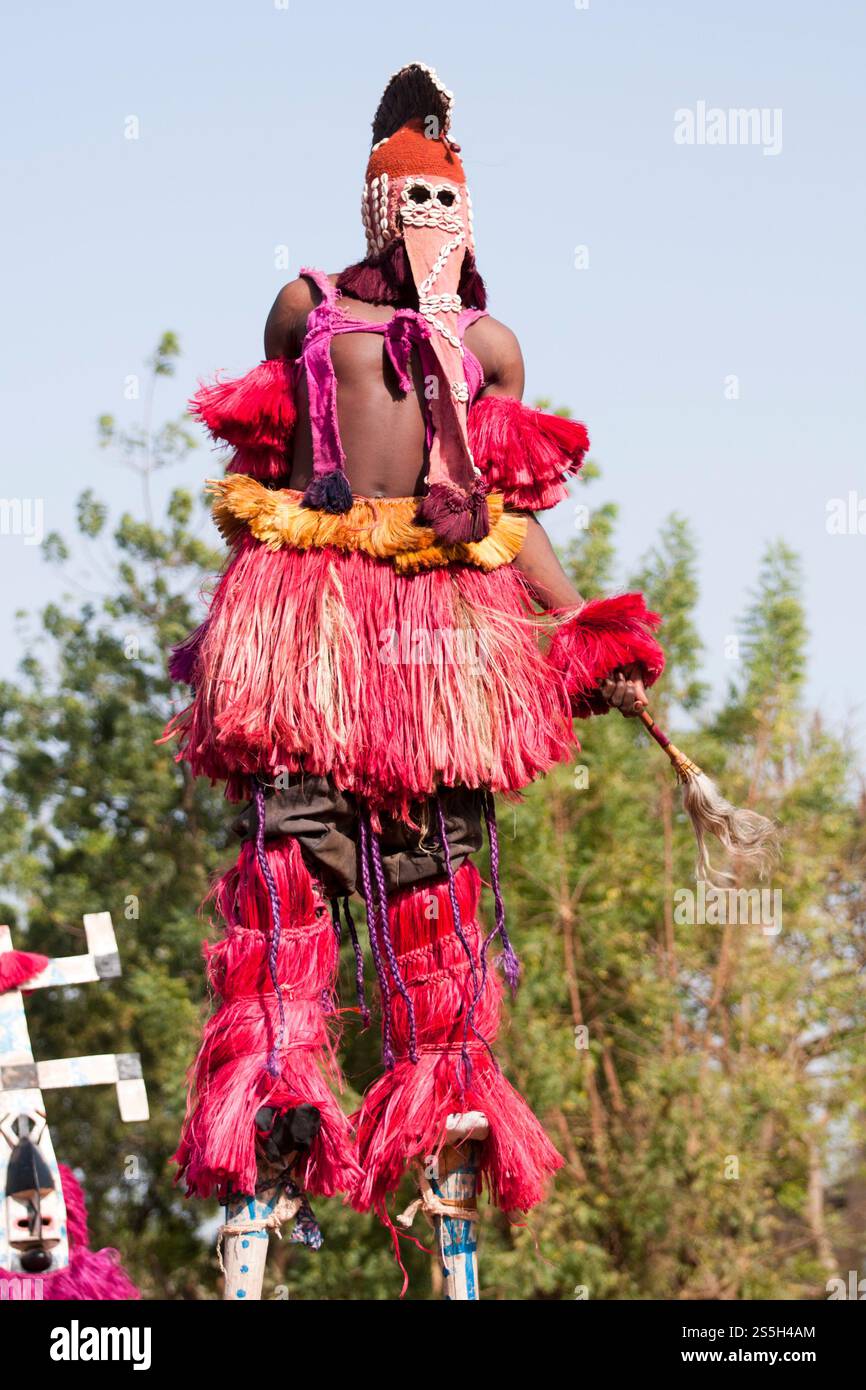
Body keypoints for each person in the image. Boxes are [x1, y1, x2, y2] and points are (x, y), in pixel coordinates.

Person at [168, 62, 664, 1235]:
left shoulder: (489, 344)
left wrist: (583, 632)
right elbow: (258, 468)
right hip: (313, 621)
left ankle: (442, 1101)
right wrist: (229, 626)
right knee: (288, 864)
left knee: (439, 867)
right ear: (374, 207)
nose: (432, 222)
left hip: (442, 642)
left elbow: (508, 505)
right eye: (412, 200)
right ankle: (277, 1097)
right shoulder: (306, 312)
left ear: (469, 216)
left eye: (450, 203)